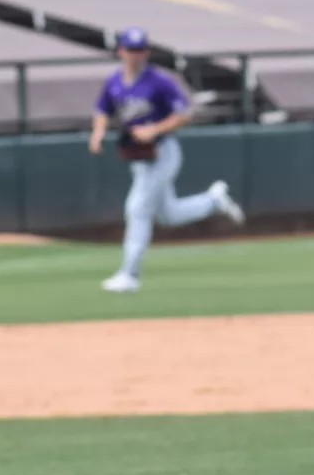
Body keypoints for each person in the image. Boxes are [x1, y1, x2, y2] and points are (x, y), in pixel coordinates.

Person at [88, 27, 242, 292]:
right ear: (121, 51)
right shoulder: (115, 81)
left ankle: (130, 275)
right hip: (140, 159)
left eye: (140, 50)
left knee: (137, 209)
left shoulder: (159, 81)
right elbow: (102, 109)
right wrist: (98, 132)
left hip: (163, 153)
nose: (135, 55)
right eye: (131, 50)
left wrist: (154, 130)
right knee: (168, 214)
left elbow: (184, 114)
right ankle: (213, 202)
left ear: (146, 52)